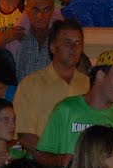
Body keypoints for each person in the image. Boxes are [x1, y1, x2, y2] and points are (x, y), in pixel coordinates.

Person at [13, 20, 89, 154]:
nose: (74, 47)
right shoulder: (31, 84)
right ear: (53, 47)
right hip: (42, 165)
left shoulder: (89, 85)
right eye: (67, 42)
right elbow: (25, 135)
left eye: (78, 43)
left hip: (83, 165)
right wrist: (51, 160)